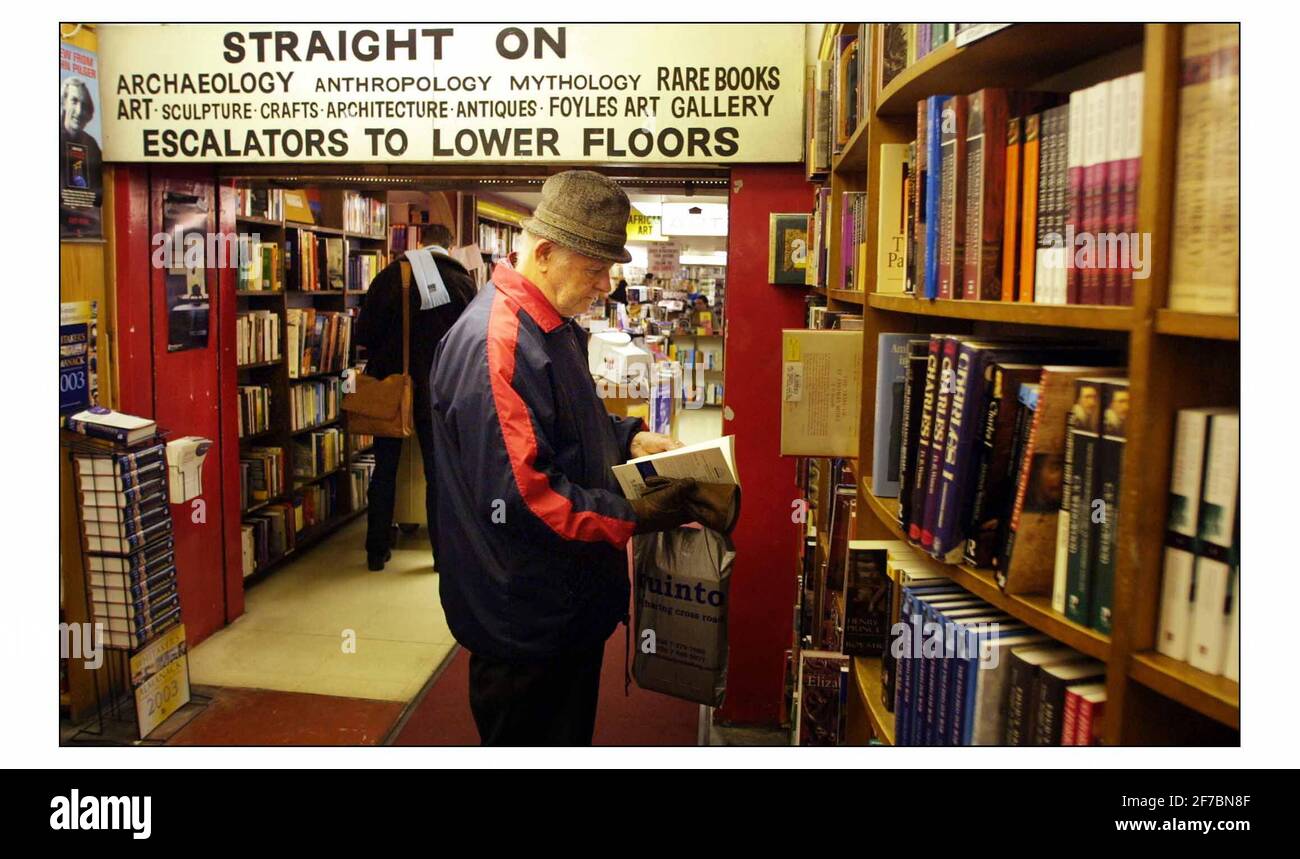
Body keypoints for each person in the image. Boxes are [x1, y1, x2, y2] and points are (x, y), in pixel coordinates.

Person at [429, 170, 734, 745]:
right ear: (544, 253)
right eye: (595, 269)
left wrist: (627, 440)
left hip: (559, 605)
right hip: (525, 616)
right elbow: (529, 500)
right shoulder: (501, 344)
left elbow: (566, 425)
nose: (605, 285)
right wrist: (643, 512)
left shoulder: (550, 323)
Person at [355, 222, 475, 571]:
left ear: (419, 243)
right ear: (449, 247)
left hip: (393, 389)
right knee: (440, 473)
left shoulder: (389, 276)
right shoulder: (462, 281)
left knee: (385, 469)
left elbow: (365, 334)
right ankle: (441, 555)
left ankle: (376, 550)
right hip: (442, 390)